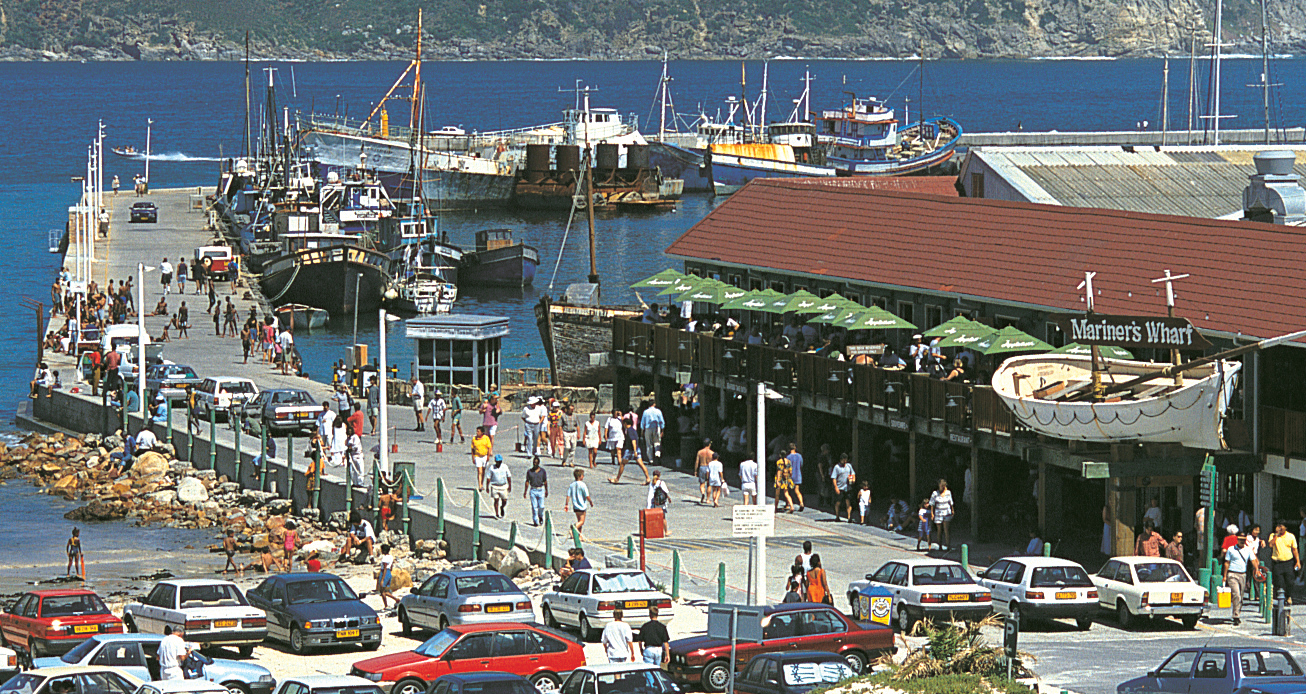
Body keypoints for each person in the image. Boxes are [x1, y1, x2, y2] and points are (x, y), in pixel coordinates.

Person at [1225, 532, 1260, 625]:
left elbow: (1253, 560)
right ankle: (1236, 616)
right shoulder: (1231, 549)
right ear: (1237, 540)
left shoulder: (1248, 550)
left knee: (1240, 596)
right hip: (1232, 574)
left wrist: (1256, 569)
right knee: (1236, 595)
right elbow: (1227, 562)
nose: (1242, 541)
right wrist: (1225, 576)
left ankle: (1237, 612)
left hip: (1242, 574)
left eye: (1243, 540)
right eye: (1240, 539)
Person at [1268, 521, 1301, 603]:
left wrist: (1298, 561)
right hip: (1277, 562)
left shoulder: (1290, 536)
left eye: (1282, 526)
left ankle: (1288, 596)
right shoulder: (1273, 535)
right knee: (1279, 582)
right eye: (1279, 526)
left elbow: (1294, 549)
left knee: (1290, 581)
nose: (1280, 528)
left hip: (1288, 562)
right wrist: (1276, 535)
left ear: (1285, 527)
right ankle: (1280, 599)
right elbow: (1271, 545)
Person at [564, 468, 593, 540]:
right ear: (580, 476)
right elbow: (587, 495)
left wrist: (566, 504)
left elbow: (568, 496)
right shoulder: (583, 485)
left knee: (579, 521)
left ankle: (580, 536)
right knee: (582, 522)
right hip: (582, 506)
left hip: (575, 506)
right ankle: (573, 529)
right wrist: (590, 501)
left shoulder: (572, 485)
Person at [930, 478, 954, 550]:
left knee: (946, 530)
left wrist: (952, 510)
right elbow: (932, 504)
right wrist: (932, 513)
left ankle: (948, 546)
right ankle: (940, 546)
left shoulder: (948, 492)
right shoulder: (935, 493)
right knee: (939, 530)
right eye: (941, 486)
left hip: (946, 512)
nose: (943, 488)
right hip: (938, 513)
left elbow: (951, 502)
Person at [830, 454, 856, 522]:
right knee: (838, 502)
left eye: (846, 460)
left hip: (847, 487)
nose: (845, 461)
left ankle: (849, 517)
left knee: (848, 502)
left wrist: (853, 479)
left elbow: (853, 473)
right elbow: (834, 478)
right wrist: (836, 487)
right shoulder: (837, 467)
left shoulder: (849, 466)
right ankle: (837, 516)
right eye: (843, 460)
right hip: (840, 487)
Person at [486, 454, 512, 519]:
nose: (499, 463)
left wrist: (510, 485)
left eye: (500, 461)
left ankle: (502, 507)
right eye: (498, 461)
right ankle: (497, 514)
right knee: (496, 500)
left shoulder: (505, 467)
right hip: (495, 486)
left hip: (503, 486)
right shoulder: (492, 468)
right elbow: (488, 477)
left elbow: (508, 476)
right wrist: (487, 486)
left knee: (504, 500)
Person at [525, 456, 548, 526]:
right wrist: (525, 491)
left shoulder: (542, 471)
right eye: (534, 463)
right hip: (533, 490)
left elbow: (545, 481)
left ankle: (540, 516)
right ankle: (535, 520)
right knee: (534, 507)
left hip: (540, 489)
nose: (534, 464)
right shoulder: (529, 471)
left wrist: (546, 490)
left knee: (541, 506)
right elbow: (527, 481)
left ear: (538, 463)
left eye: (536, 463)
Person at [376, 543, 397, 609]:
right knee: (385, 590)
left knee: (382, 591)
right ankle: (394, 600)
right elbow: (391, 567)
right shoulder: (391, 557)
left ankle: (387, 604)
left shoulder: (385, 558)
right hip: (389, 573)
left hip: (384, 573)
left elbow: (385, 568)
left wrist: (382, 579)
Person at [559, 402, 579, 467]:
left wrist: (578, 433)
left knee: (573, 447)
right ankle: (564, 460)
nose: (572, 410)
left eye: (573, 409)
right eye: (571, 409)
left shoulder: (575, 416)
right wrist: (560, 434)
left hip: (573, 432)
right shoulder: (563, 416)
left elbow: (577, 425)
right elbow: (560, 425)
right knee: (567, 447)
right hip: (566, 432)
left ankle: (571, 462)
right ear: (567, 409)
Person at [786, 444, 805, 510]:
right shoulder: (799, 456)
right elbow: (801, 464)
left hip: (790, 476)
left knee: (787, 491)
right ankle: (801, 503)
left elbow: (787, 466)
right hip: (798, 475)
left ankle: (788, 504)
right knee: (797, 490)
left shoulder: (788, 457)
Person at [696, 439, 714, 504]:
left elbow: (697, 462)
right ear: (709, 444)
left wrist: (695, 470)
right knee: (709, 484)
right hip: (709, 468)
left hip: (702, 466)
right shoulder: (712, 453)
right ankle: (707, 499)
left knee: (702, 483)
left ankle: (703, 493)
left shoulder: (700, 452)